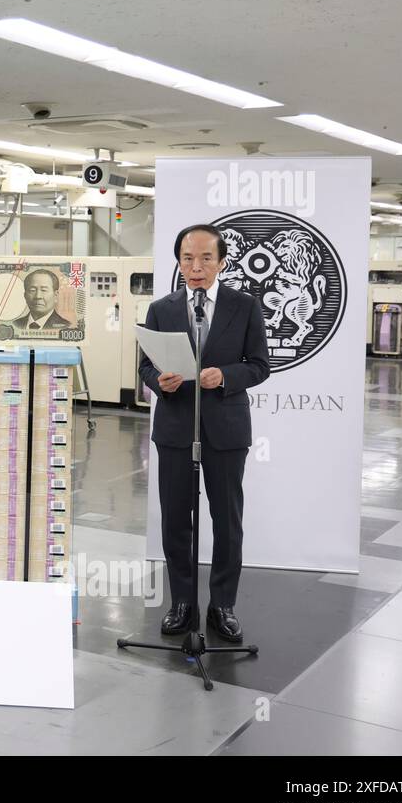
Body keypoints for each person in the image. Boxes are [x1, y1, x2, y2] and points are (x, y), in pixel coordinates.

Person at [138, 224, 271, 643]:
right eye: (187, 259)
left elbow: (259, 365)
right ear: (178, 262)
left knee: (227, 520)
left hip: (226, 431)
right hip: (176, 429)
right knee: (176, 518)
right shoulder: (162, 308)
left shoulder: (244, 306)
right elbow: (145, 366)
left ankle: (222, 606)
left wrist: (225, 376)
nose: (196, 267)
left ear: (222, 262)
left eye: (205, 259)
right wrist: (160, 380)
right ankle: (181, 603)